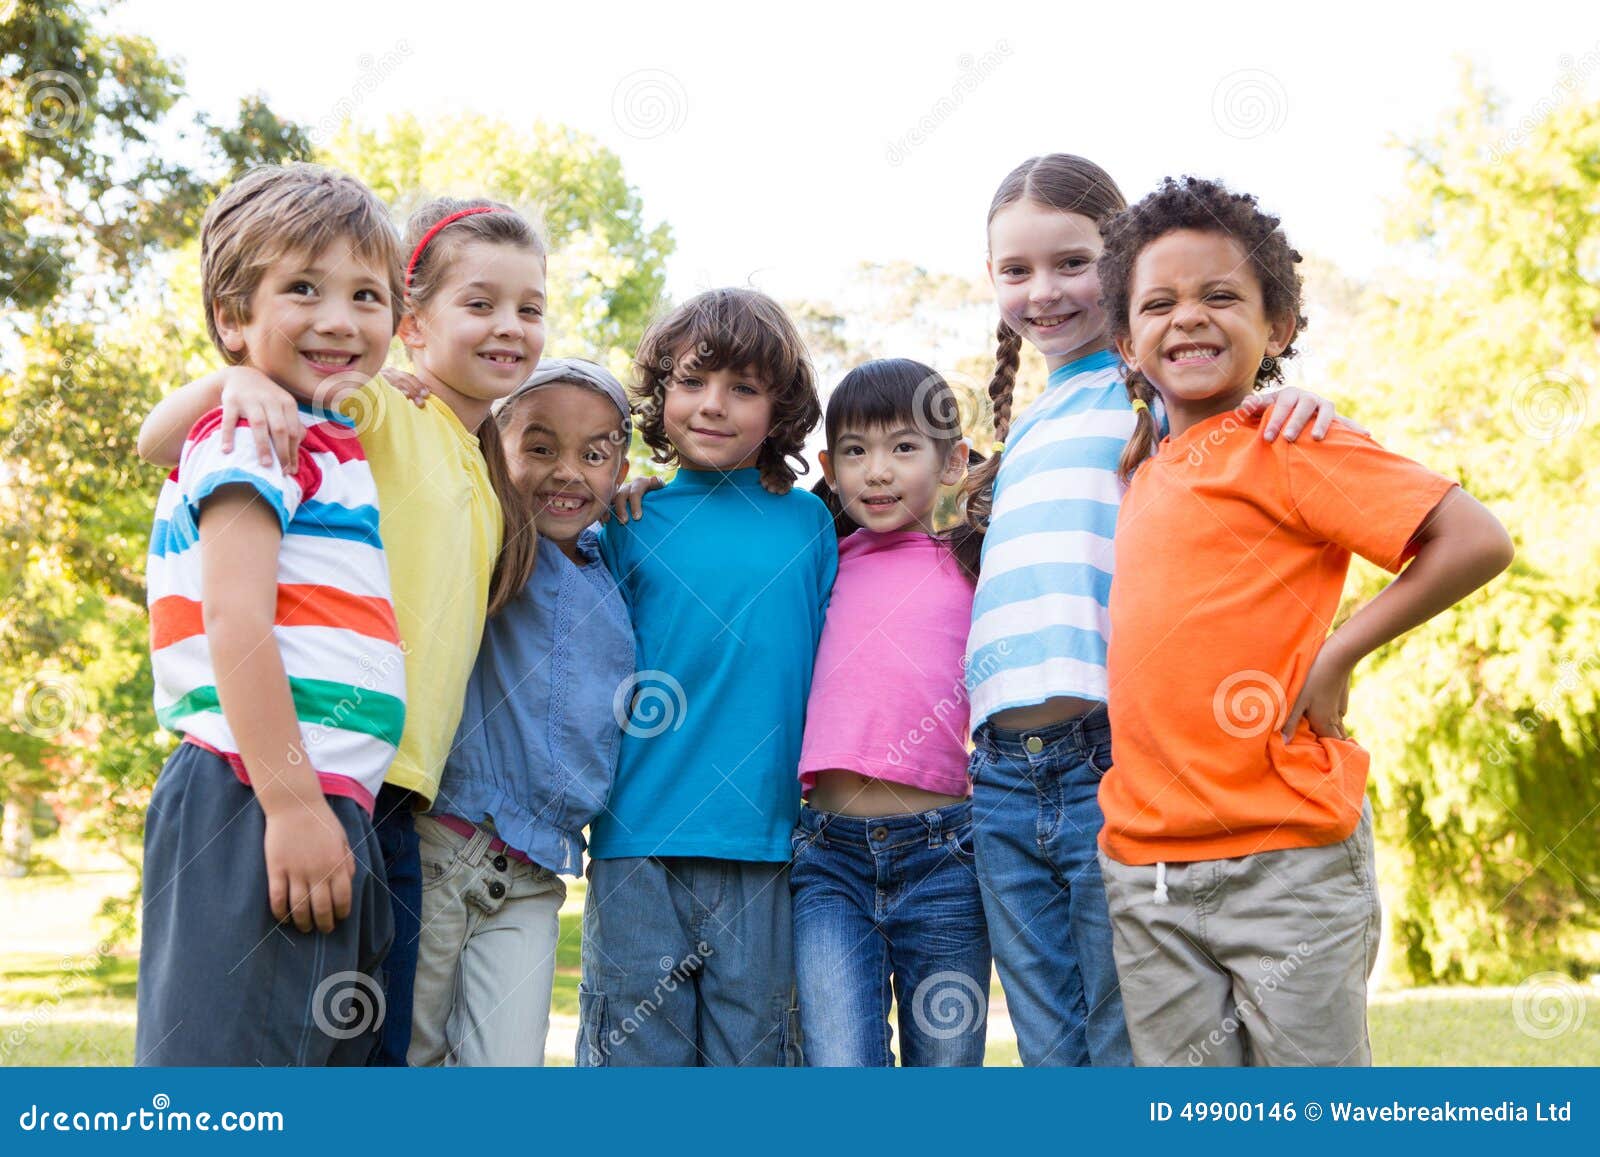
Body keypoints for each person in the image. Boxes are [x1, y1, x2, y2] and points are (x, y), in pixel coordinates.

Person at [1096, 175, 1514, 1066]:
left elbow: (1475, 539)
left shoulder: (1292, 441)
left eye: (1221, 296)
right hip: (1149, 870)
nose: (1189, 317)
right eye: (1160, 303)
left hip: (1287, 857)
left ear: (1278, 326)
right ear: (1127, 342)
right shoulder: (1144, 470)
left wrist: (1338, 651)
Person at [136, 196, 549, 1063]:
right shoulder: (361, 413)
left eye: (364, 297)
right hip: (277, 778)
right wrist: (235, 380)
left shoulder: (470, 470)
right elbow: (161, 446)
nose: (338, 318)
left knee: (355, 1057)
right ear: (415, 324)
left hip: (375, 800)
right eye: (480, 303)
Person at [962, 153, 1346, 1066]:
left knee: (1122, 1026)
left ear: (1124, 268)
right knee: (1047, 1042)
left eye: (1072, 263)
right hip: (1002, 775)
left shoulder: (1154, 399)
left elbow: (1237, 425)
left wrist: (1288, 394)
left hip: (1111, 754)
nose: (1043, 291)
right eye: (1016, 270)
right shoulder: (1027, 425)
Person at [137, 163, 405, 1065]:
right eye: (303, 289)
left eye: (367, 295)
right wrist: (290, 804)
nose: (340, 319)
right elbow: (235, 619)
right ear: (232, 317)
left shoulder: (322, 436)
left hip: (321, 797)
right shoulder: (256, 432)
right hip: (254, 790)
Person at [577, 288, 836, 1067]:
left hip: (765, 843)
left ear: (779, 407)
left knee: (755, 1064)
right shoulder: (625, 521)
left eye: (744, 388)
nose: (714, 404)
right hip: (637, 840)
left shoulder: (810, 523)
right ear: (662, 394)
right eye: (692, 382)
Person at [408, 359, 635, 1066]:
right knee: (408, 1054)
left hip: (535, 875)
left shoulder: (617, 564)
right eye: (540, 447)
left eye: (594, 455)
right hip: (440, 846)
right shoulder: (491, 534)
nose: (567, 471)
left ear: (620, 468)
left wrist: (646, 500)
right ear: (493, 449)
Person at [793, 357, 991, 1066]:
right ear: (829, 466)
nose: (876, 471)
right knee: (839, 1060)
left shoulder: (975, 564)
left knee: (947, 1064)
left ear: (952, 461)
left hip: (946, 857)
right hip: (829, 858)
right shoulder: (816, 560)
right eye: (855, 451)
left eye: (903, 447)